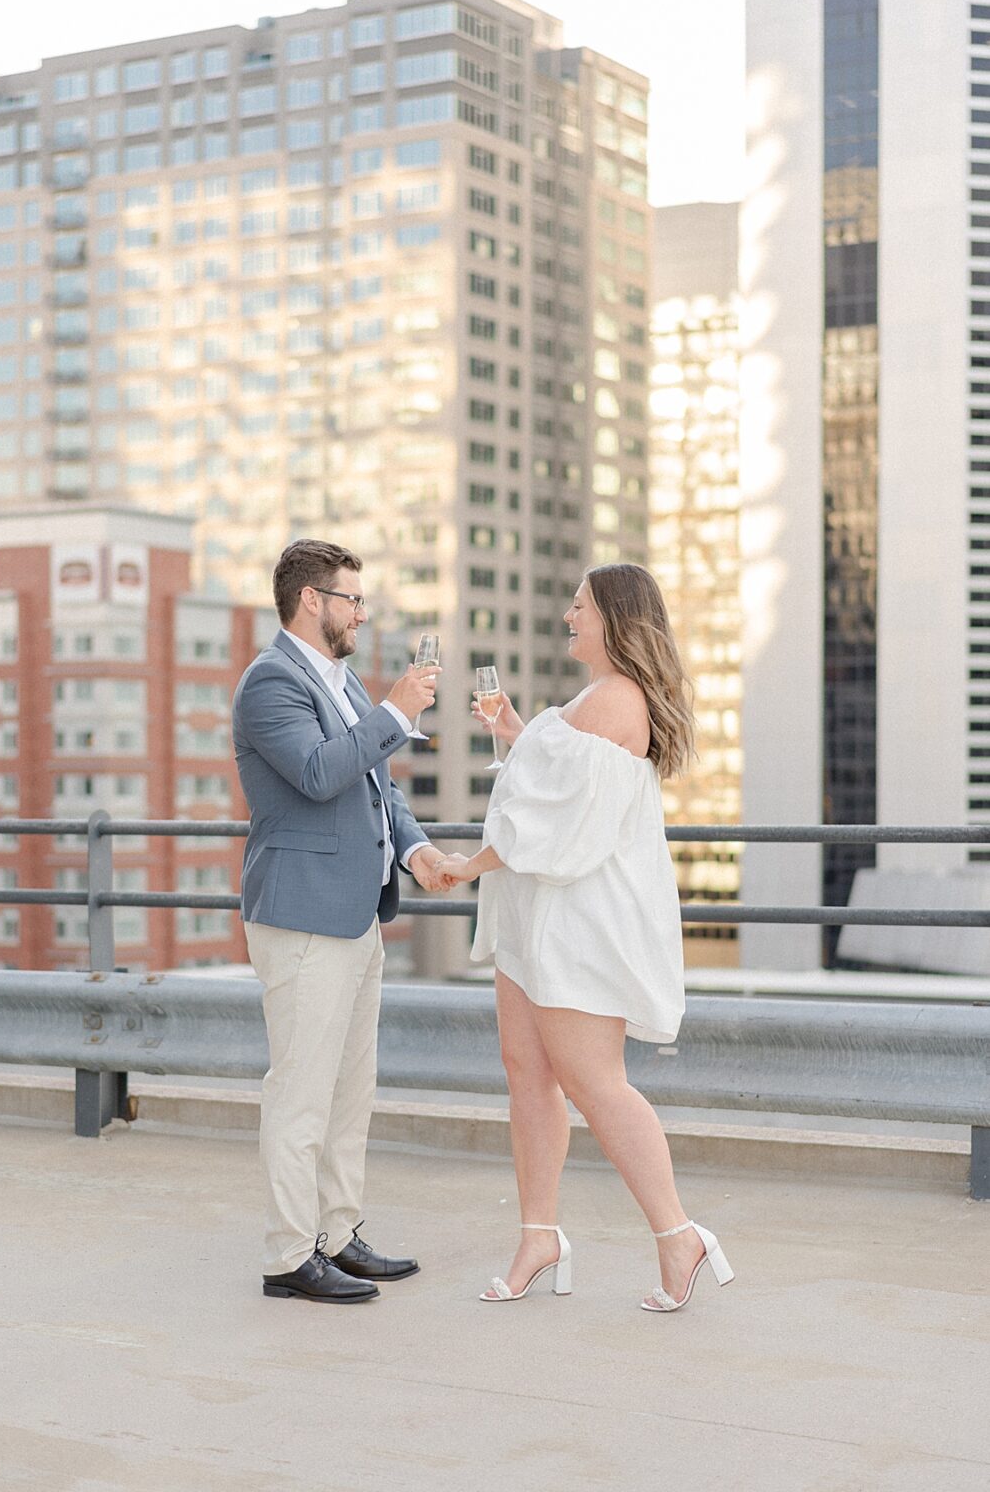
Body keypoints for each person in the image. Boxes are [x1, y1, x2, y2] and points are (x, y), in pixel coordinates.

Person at [439, 564, 735, 1313]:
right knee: (527, 1072)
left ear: (614, 617)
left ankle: (678, 1235)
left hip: (579, 923)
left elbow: (556, 821)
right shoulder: (594, 695)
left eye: (579, 606)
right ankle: (538, 1237)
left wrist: (467, 865)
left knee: (594, 1081)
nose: (568, 616)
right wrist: (515, 731)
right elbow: (556, 779)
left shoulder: (616, 698)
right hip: (538, 918)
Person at [232, 539, 452, 1304]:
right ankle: (289, 1257)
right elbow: (320, 774)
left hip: (357, 915)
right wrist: (395, 711)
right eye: (351, 599)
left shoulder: (343, 679)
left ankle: (336, 1234)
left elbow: (378, 789)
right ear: (311, 601)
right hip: (302, 916)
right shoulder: (270, 682)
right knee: (300, 1094)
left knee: (349, 1092)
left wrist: (417, 851)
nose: (362, 613)